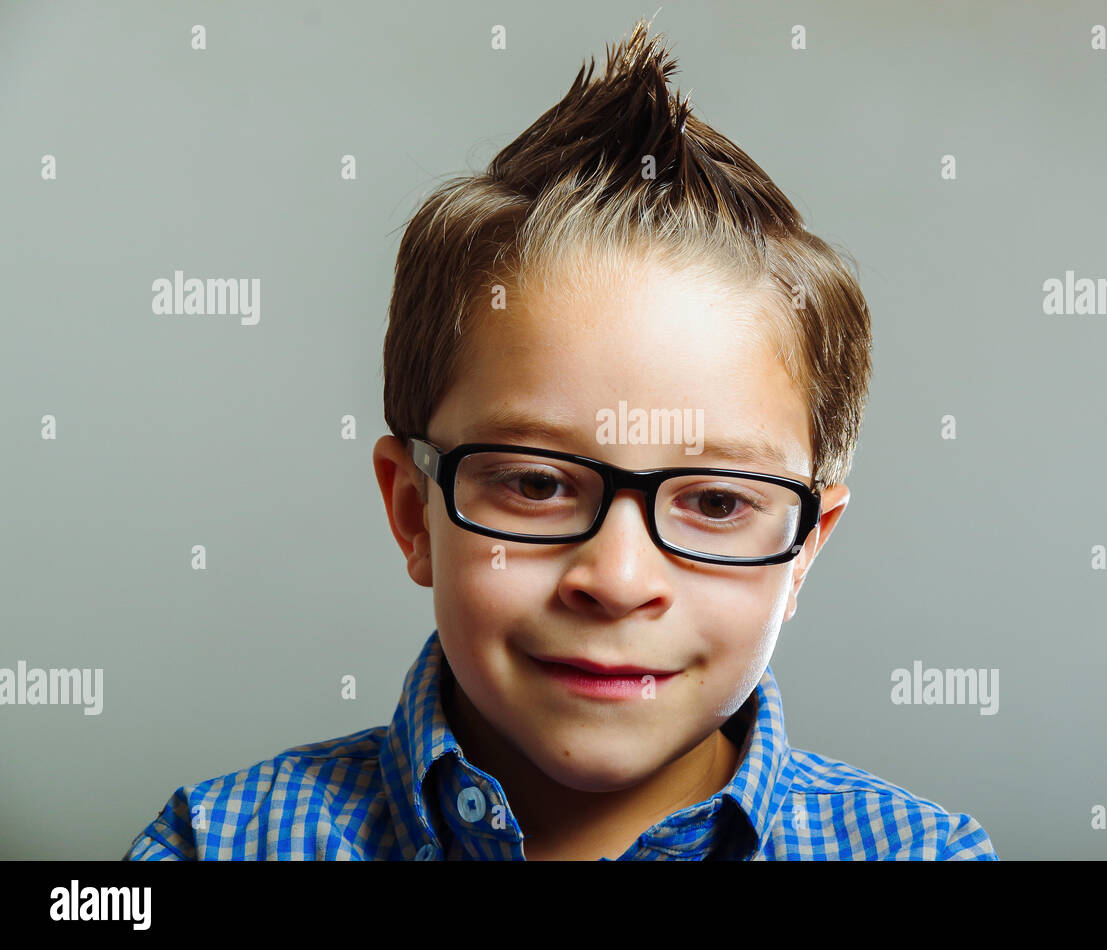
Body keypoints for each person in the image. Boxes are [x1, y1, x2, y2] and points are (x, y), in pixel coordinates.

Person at [124, 18, 996, 861]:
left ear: (802, 551)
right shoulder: (217, 844)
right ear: (412, 512)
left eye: (719, 501)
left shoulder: (927, 856)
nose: (616, 583)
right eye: (536, 484)